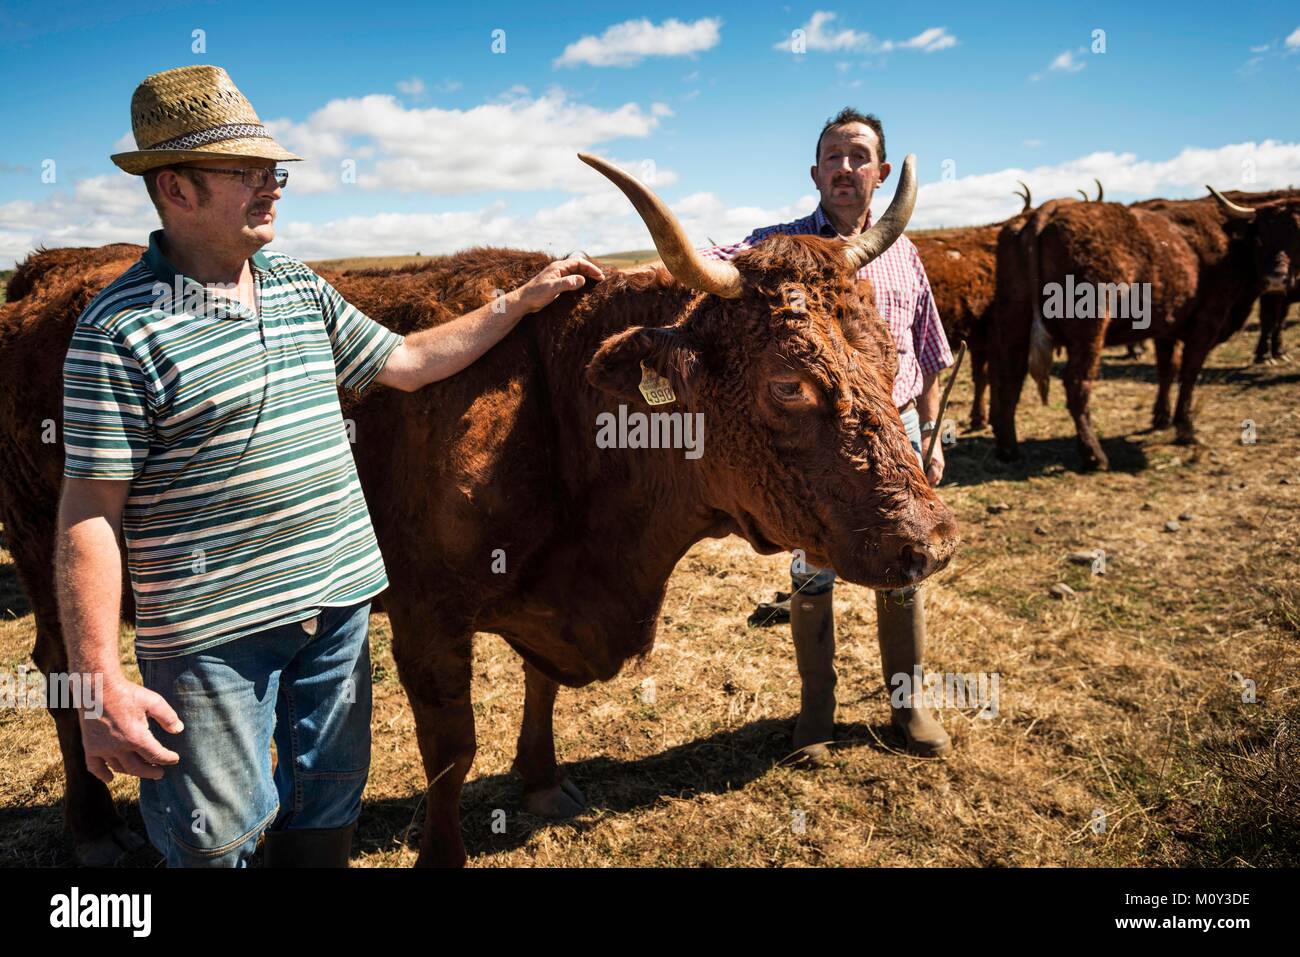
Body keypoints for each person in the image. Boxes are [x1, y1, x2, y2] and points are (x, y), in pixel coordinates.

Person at [55, 64, 602, 867]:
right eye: (246, 173)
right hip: (212, 641)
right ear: (174, 187)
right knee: (218, 842)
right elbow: (89, 511)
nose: (273, 187)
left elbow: (409, 360)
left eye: (274, 170)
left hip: (339, 613)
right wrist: (97, 679)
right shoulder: (118, 331)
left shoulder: (294, 285)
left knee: (327, 810)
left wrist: (516, 303)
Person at [701, 108, 955, 758]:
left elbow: (928, 351)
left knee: (906, 560)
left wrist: (931, 432)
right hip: (816, 446)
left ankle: (909, 704)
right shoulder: (776, 246)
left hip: (893, 441)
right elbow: (706, 265)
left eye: (858, 156)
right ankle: (817, 709)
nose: (845, 168)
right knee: (813, 566)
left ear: (882, 171)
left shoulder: (907, 255)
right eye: (833, 158)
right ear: (814, 172)